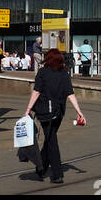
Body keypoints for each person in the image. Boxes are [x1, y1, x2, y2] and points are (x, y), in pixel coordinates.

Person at [23, 48, 87, 184]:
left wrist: (28, 109)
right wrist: (79, 111)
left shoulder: (42, 73)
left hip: (45, 112)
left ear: (48, 59)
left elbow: (36, 92)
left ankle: (57, 174)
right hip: (59, 112)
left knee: (51, 140)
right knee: (49, 138)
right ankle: (41, 168)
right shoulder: (64, 74)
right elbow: (70, 94)